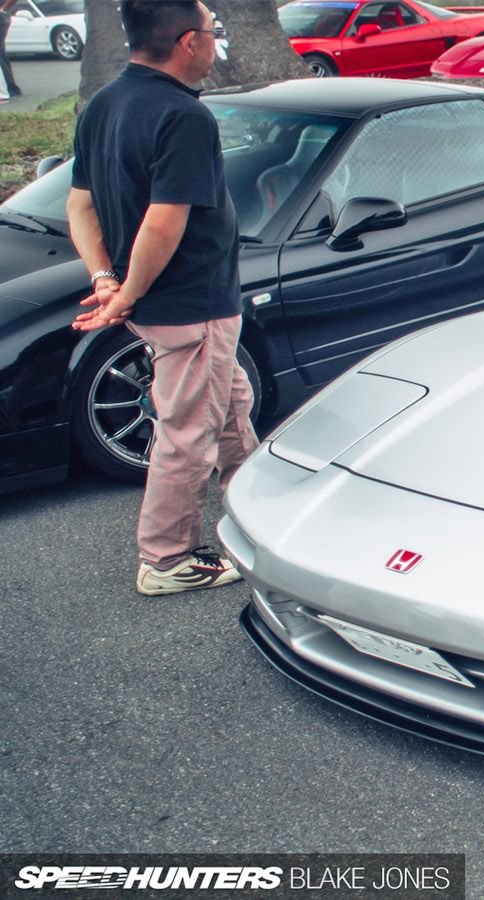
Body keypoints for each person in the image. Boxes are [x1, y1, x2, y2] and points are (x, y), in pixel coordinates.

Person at [67, 0, 257, 597]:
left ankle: (258, 513)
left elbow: (79, 205)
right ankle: (167, 559)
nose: (215, 42)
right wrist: (126, 292)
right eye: (212, 31)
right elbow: (163, 221)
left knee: (231, 406)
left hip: (170, 303)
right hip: (190, 303)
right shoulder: (185, 117)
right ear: (186, 41)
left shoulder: (105, 103)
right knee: (189, 431)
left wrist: (105, 279)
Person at [0, 0, 22, 98]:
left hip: (1, 18)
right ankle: (10, 88)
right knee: (1, 54)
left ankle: (8, 89)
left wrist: (2, 9)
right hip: (3, 18)